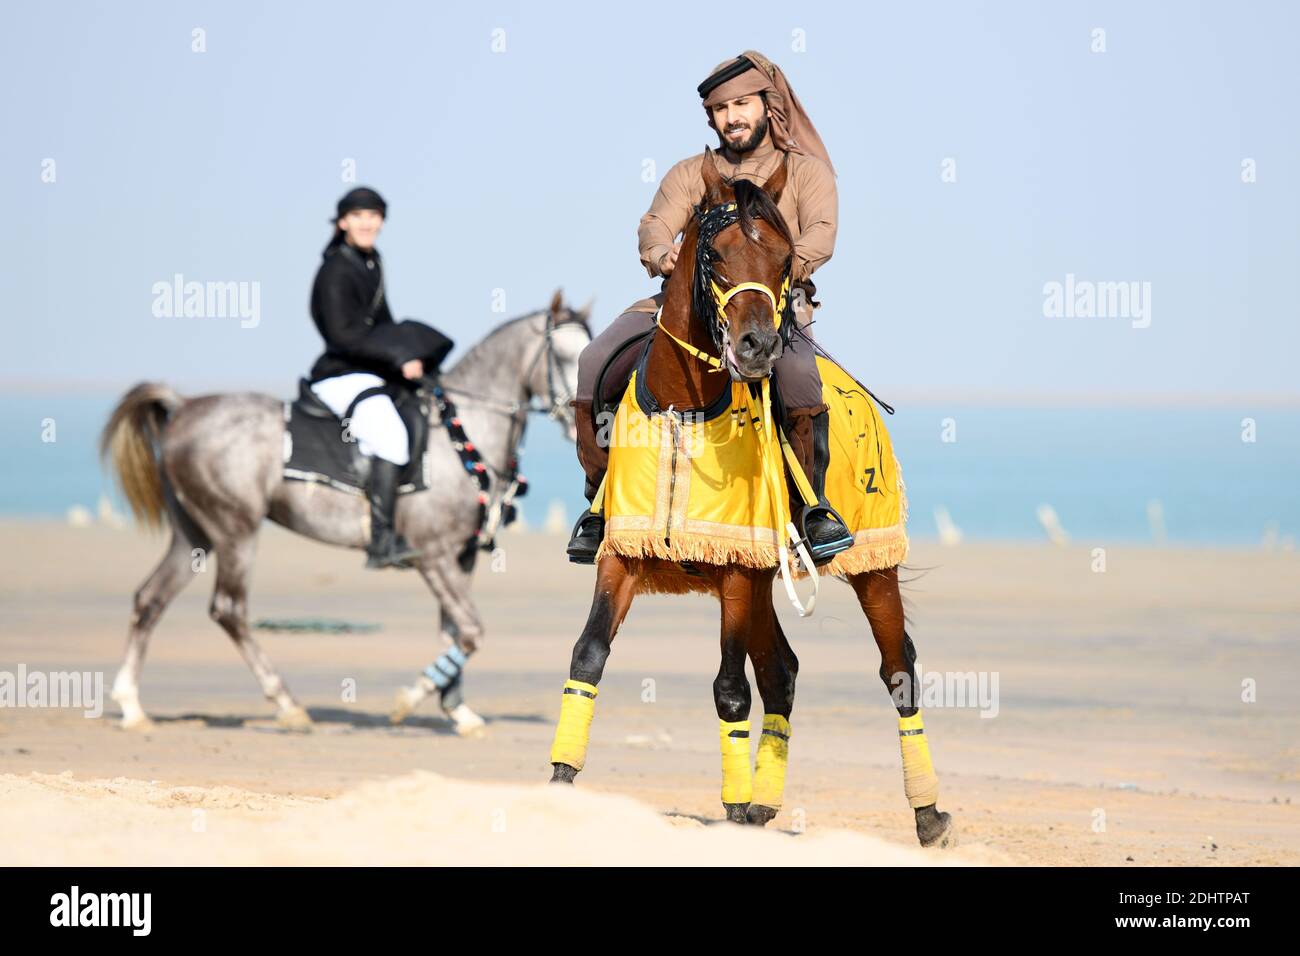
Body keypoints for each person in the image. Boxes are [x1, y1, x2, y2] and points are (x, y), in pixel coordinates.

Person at [566, 50, 853, 565]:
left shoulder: (805, 174)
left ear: (767, 106)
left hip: (773, 307)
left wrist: (777, 271)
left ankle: (813, 509)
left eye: (742, 104)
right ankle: (600, 500)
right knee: (594, 361)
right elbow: (654, 224)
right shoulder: (692, 172)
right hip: (688, 303)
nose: (732, 117)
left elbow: (821, 238)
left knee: (799, 378)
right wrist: (662, 252)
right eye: (721, 110)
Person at [308, 186, 439, 569]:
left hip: (367, 369)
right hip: (340, 373)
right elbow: (341, 336)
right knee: (391, 437)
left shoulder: (371, 262)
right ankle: (381, 542)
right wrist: (397, 358)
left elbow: (383, 325)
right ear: (343, 222)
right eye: (359, 216)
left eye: (374, 215)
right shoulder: (335, 270)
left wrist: (413, 354)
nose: (367, 222)